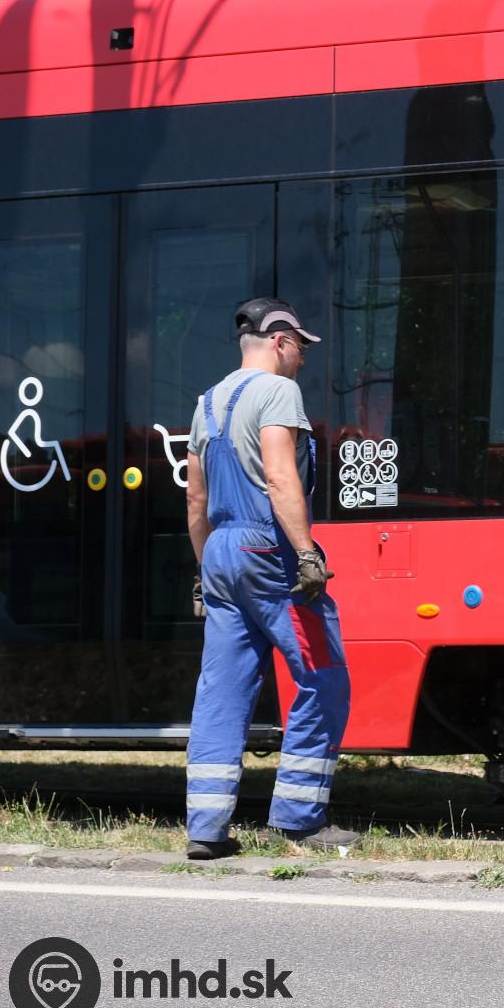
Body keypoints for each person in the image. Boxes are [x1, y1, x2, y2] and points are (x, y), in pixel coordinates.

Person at [182, 297, 354, 860]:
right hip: (269, 550)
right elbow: (281, 478)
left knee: (222, 691)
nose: (302, 358)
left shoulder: (206, 404)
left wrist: (206, 571)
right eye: (300, 346)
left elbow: (196, 501)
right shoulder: (278, 392)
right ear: (278, 341)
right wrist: (306, 555)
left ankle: (206, 829)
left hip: (222, 554)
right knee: (322, 673)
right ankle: (299, 819)